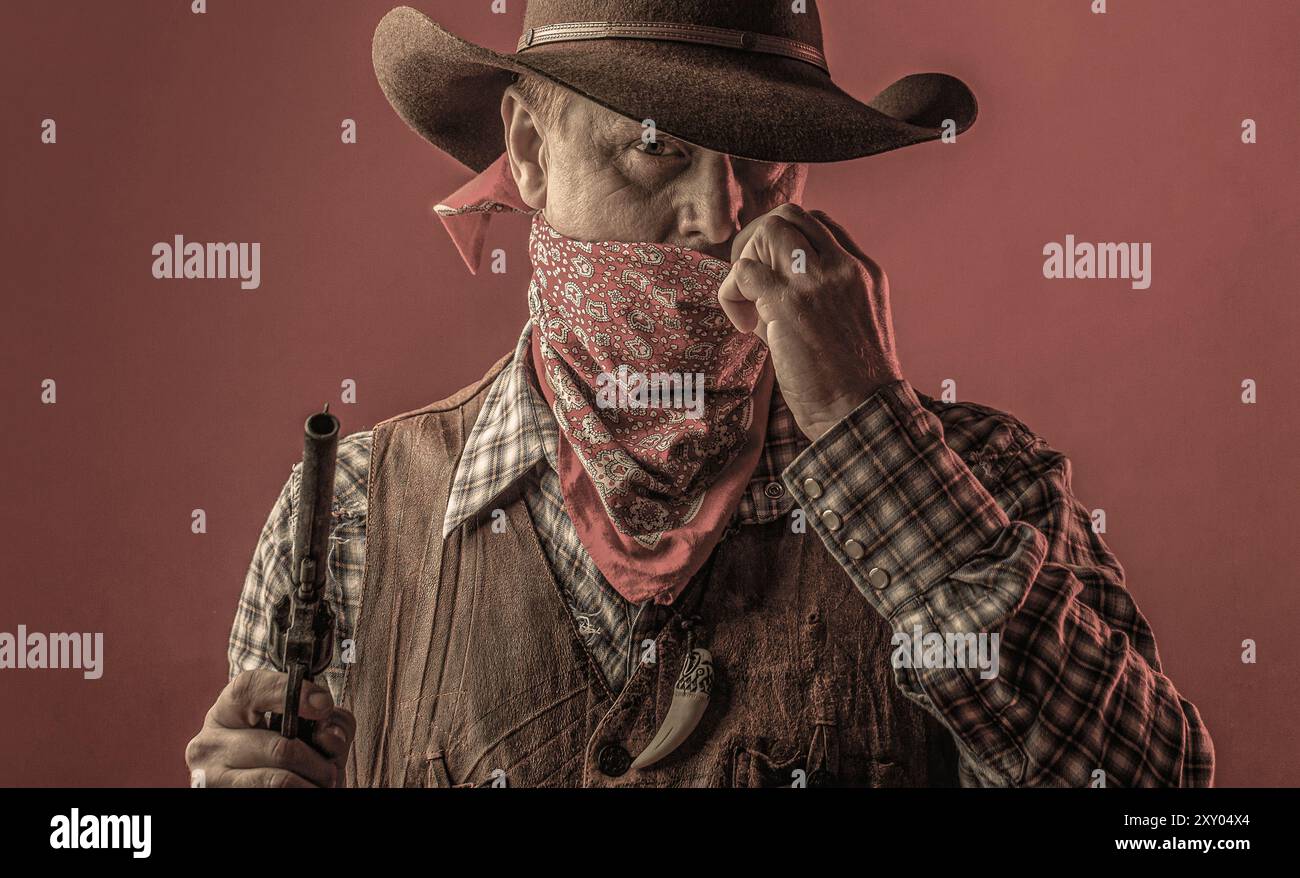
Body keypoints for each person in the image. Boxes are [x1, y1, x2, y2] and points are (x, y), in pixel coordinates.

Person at [186, 0, 1214, 788]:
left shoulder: (983, 489)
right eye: (654, 146)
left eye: (758, 157)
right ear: (533, 154)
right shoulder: (354, 517)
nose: (718, 216)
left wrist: (873, 432)